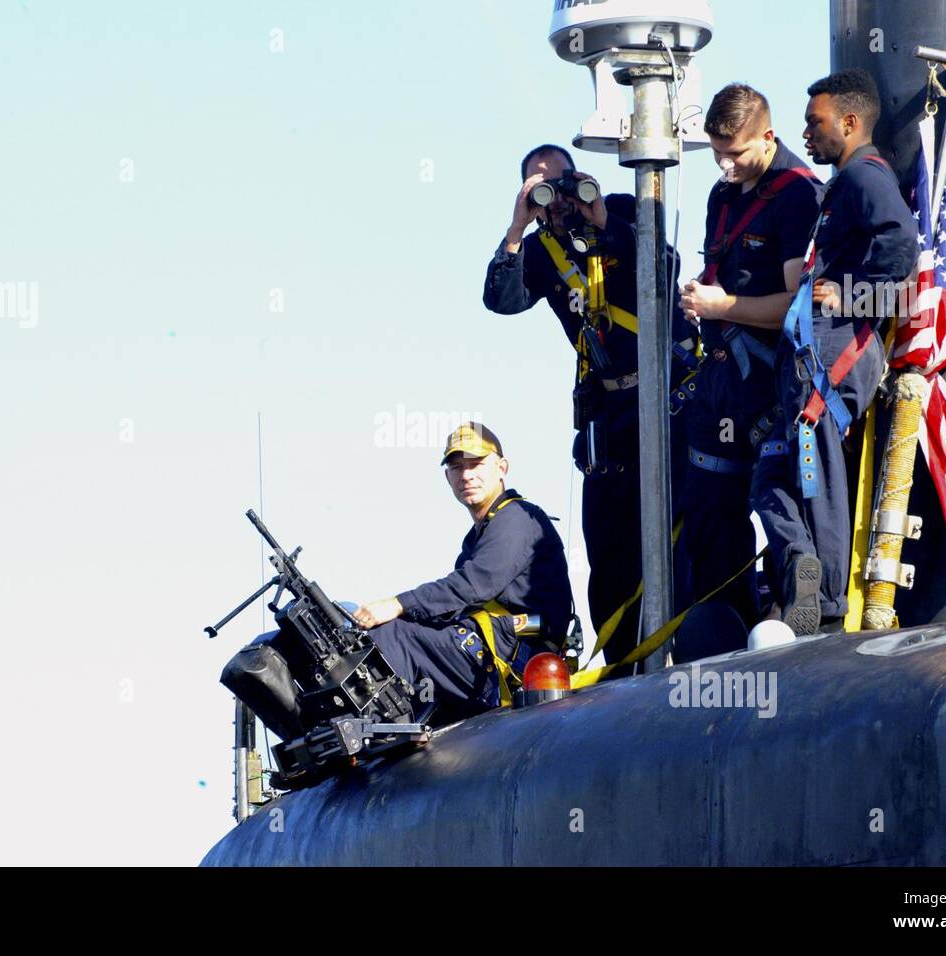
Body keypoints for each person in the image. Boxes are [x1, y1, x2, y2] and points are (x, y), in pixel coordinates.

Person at [483, 144, 695, 673]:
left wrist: (601, 217)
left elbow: (664, 270)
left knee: (684, 534)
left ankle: (694, 651)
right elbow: (500, 300)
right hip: (607, 407)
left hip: (668, 395)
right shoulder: (537, 250)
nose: (556, 200)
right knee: (609, 547)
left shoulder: (620, 208)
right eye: (540, 189)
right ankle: (623, 667)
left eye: (560, 183)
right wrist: (517, 227)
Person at [224, 422, 574, 739]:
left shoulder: (515, 519)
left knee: (393, 634)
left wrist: (396, 605)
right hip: (488, 647)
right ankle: (327, 728)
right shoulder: (481, 532)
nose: (466, 475)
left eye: (476, 464)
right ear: (447, 477)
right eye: (456, 466)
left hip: (512, 657)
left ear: (502, 468)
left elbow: (471, 587)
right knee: (350, 629)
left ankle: (367, 726)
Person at [750, 68, 918, 635]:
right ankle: (802, 571)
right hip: (807, 359)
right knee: (770, 476)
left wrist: (847, 292)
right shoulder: (842, 186)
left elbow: (903, 261)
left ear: (849, 122)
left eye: (814, 122)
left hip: (834, 359)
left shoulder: (866, 178)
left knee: (813, 470)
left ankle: (823, 611)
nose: (806, 132)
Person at [676, 84, 823, 646]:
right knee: (709, 514)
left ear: (767, 136)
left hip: (771, 386)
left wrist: (724, 306)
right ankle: (724, 633)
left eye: (735, 153)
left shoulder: (798, 196)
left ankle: (793, 619)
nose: (725, 164)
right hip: (717, 382)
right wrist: (703, 298)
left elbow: (796, 304)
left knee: (776, 498)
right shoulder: (723, 193)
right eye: (717, 153)